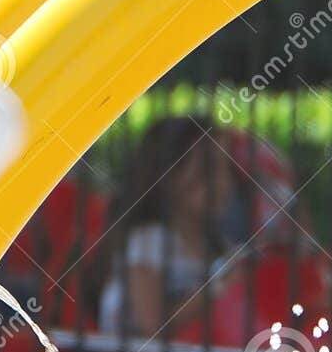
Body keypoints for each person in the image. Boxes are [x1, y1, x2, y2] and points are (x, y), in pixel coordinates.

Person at [98, 115, 238, 337]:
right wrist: (219, 287)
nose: (222, 183)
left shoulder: (219, 245)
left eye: (227, 168)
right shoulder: (147, 242)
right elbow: (151, 325)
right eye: (207, 170)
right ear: (167, 178)